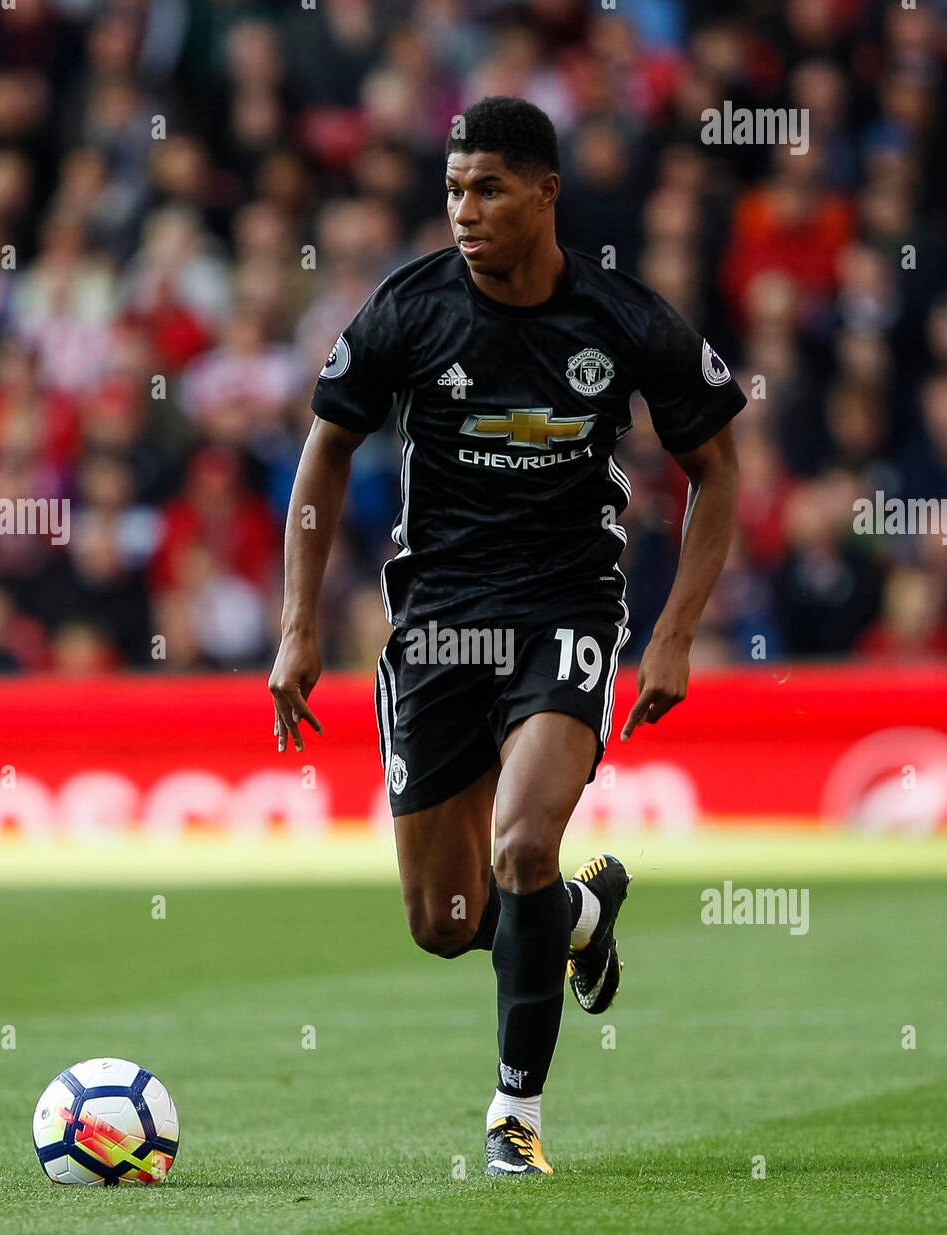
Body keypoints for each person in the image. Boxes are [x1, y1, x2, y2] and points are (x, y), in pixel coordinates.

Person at [269, 97, 744, 1175]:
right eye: (451, 191)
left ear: (543, 192)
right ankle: (576, 914)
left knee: (522, 840)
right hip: (434, 624)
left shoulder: (622, 320)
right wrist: (299, 627)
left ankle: (513, 1116)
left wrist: (671, 633)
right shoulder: (406, 310)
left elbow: (716, 468)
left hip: (563, 610)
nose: (464, 211)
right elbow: (321, 455)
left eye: (486, 189)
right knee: (443, 919)